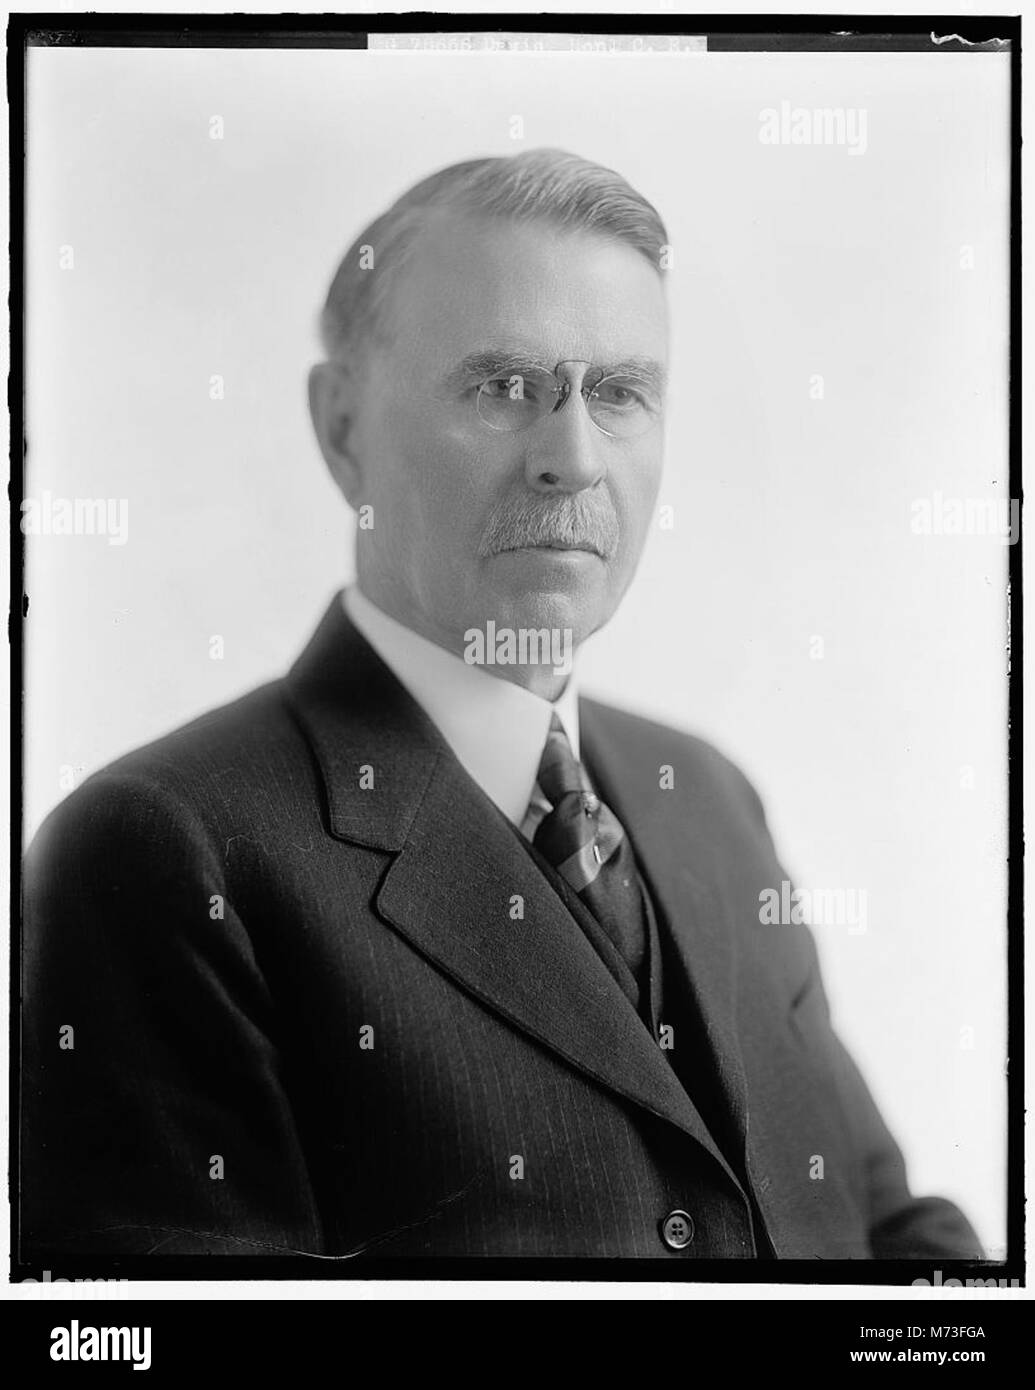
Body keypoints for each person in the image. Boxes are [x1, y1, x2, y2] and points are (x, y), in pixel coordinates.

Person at [21, 149, 982, 1262]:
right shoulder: (162, 852)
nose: (571, 459)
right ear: (342, 429)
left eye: (620, 393)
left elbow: (893, 1229)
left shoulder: (710, 796)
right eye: (503, 388)